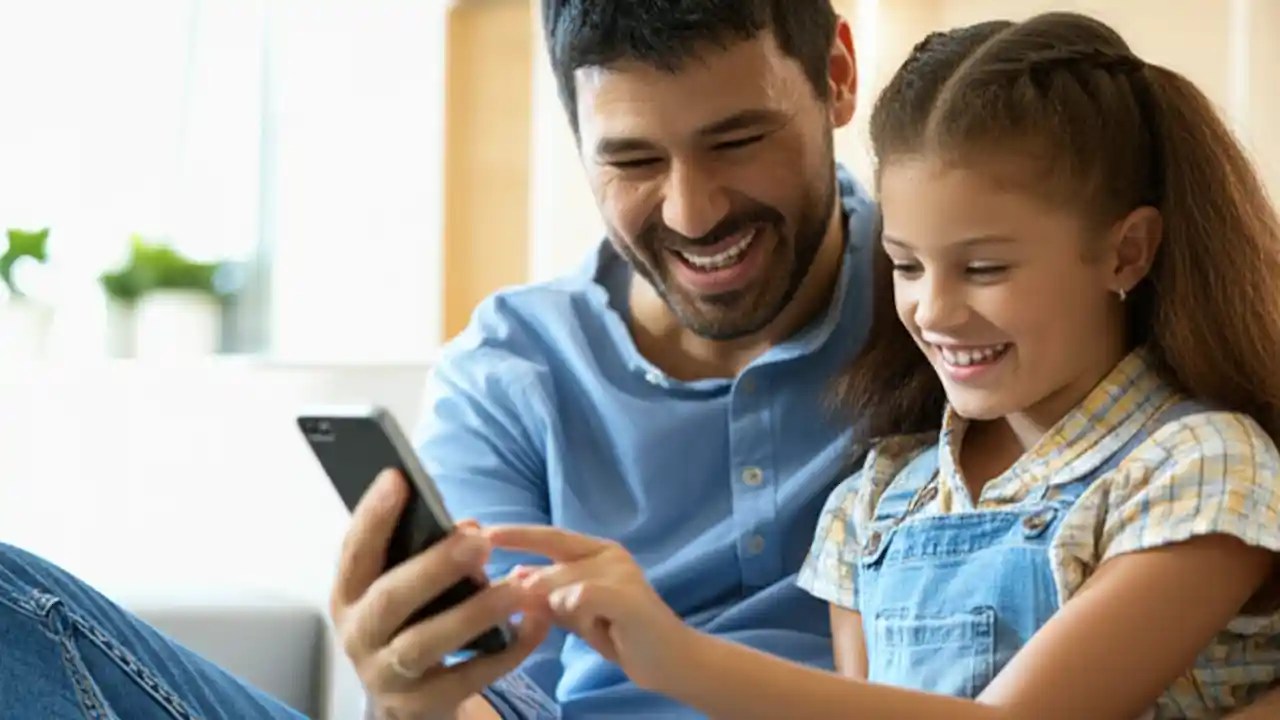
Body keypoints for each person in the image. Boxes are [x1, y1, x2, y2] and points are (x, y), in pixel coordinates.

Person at [0, 2, 882, 718]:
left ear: (836, 76)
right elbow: (498, 695)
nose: (692, 213)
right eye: (634, 160)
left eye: (737, 141)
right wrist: (412, 696)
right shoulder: (512, 370)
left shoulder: (954, 302)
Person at [483, 11, 1280, 720]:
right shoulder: (876, 505)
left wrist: (679, 659)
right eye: (904, 266)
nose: (932, 311)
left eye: (984, 269)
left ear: (1125, 251)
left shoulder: (1203, 470)